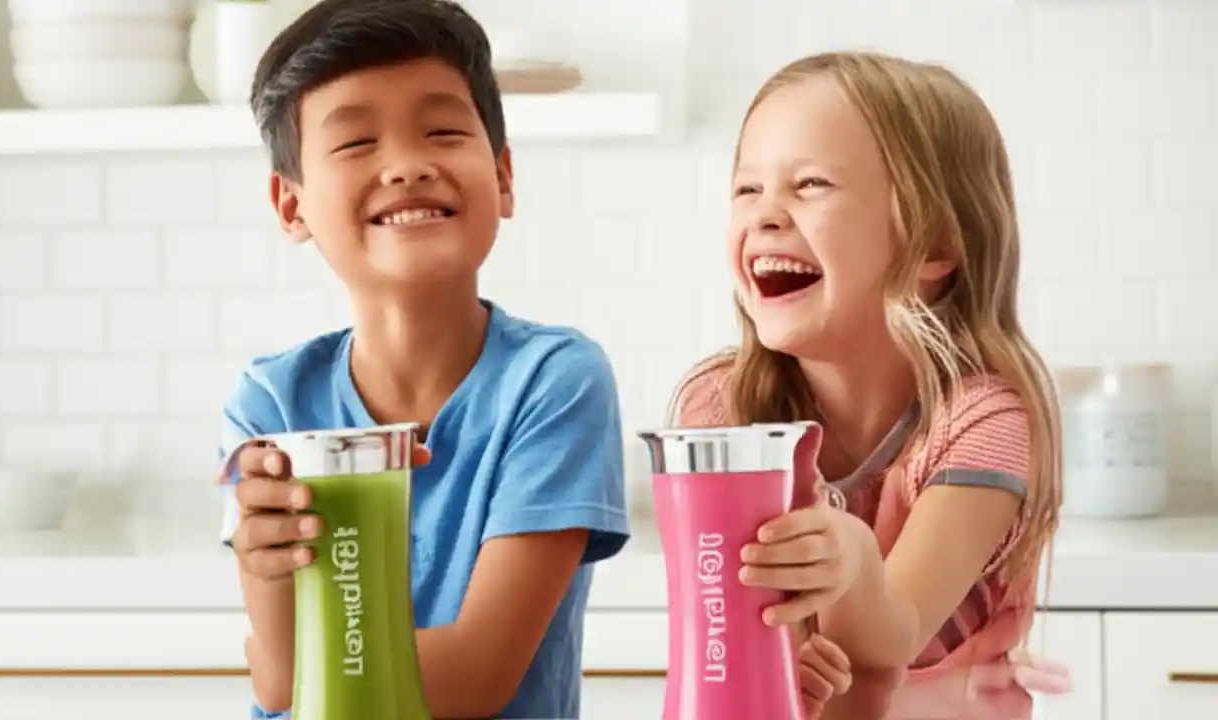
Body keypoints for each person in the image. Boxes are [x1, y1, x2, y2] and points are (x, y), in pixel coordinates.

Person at [212, 1, 631, 717]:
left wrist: (299, 667)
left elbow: (473, 678)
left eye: (442, 131)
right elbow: (282, 685)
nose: (407, 166)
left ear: (503, 178)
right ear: (292, 206)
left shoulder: (555, 381)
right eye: (355, 144)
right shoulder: (270, 402)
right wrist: (271, 606)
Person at [668, 51, 1071, 718]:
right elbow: (737, 648)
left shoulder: (982, 423)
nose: (766, 214)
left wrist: (852, 561)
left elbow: (893, 639)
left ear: (934, 244)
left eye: (811, 184)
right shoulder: (720, 409)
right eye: (747, 189)